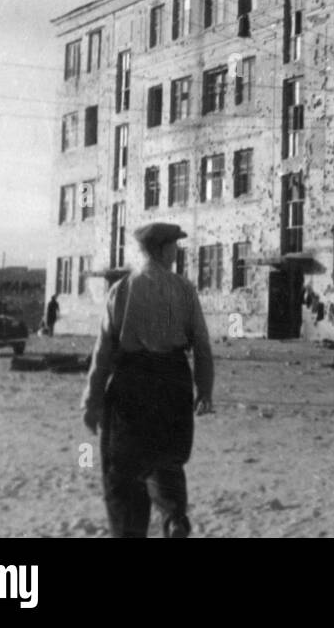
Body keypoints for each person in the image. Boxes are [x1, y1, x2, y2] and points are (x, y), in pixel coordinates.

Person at [82, 222, 214, 538]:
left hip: (132, 384)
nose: (177, 252)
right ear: (164, 250)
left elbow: (103, 352)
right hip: (174, 383)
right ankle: (173, 518)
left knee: (123, 470)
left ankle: (130, 532)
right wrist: (204, 389)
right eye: (174, 247)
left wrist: (92, 402)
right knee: (167, 460)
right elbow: (202, 346)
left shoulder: (123, 290)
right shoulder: (184, 290)